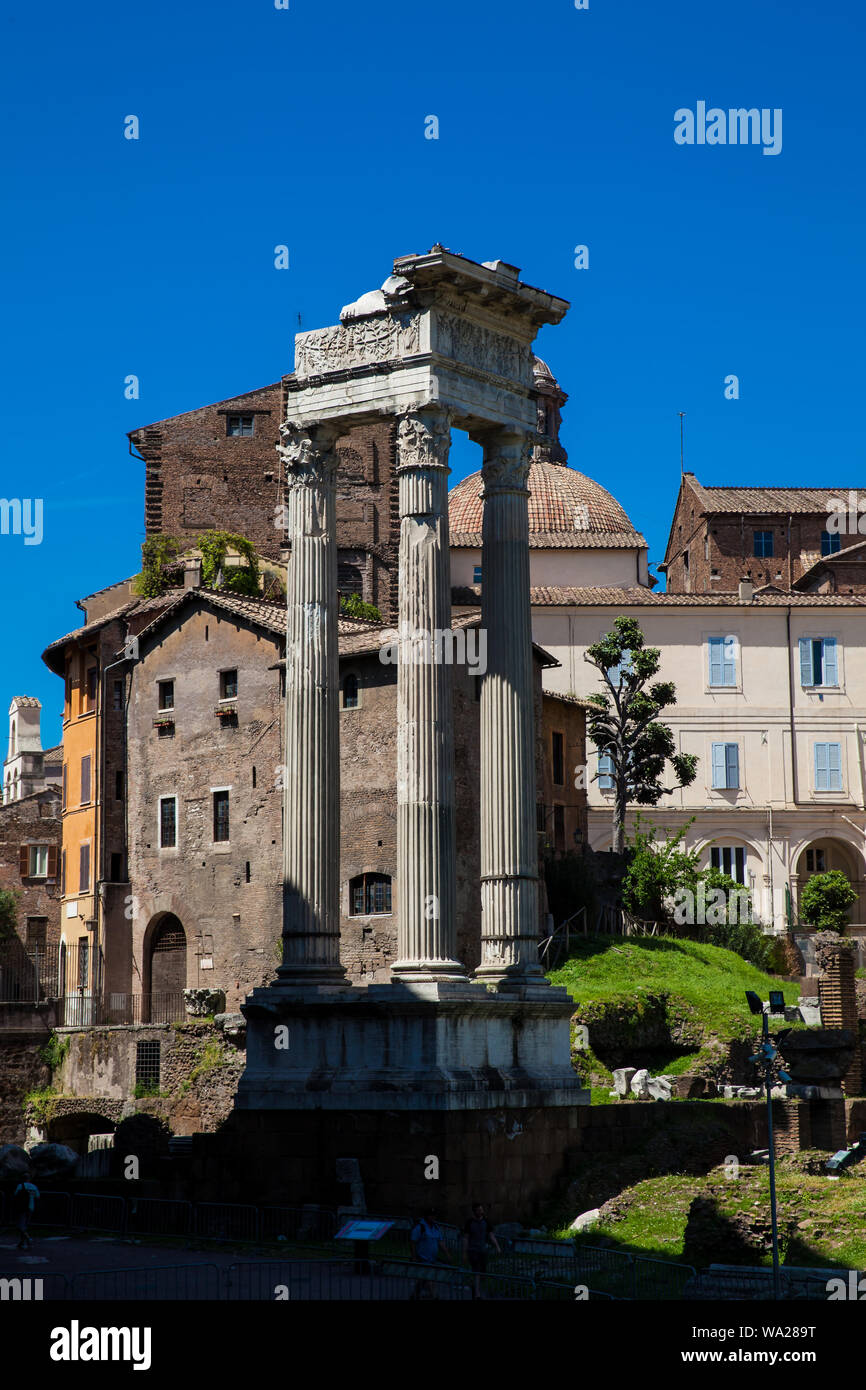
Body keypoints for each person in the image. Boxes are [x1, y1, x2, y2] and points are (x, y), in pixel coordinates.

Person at [462, 1202, 501, 1299]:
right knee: (477, 1270)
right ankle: (477, 1294)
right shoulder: (469, 1222)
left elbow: (491, 1235)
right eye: (479, 1210)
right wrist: (464, 1252)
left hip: (483, 1250)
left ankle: (475, 1286)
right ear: (474, 1211)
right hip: (472, 1250)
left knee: (482, 1273)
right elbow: (466, 1238)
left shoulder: (486, 1221)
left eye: (482, 1210)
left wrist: (497, 1246)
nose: (481, 1212)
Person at [410, 1208, 448, 1300]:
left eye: (434, 1215)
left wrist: (447, 1254)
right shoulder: (420, 1227)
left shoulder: (436, 1227)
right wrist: (414, 1257)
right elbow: (413, 1242)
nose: (433, 1217)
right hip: (422, 1259)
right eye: (431, 1215)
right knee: (429, 1278)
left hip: (432, 1259)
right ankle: (434, 1296)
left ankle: (415, 1295)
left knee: (423, 1279)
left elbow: (440, 1242)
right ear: (426, 1216)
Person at [13, 1180, 40, 1250]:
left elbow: (15, 1194)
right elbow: (37, 1196)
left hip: (22, 1207)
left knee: (20, 1225)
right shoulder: (34, 1186)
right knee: (25, 1225)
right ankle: (22, 1242)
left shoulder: (20, 1185)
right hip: (31, 1207)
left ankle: (28, 1238)